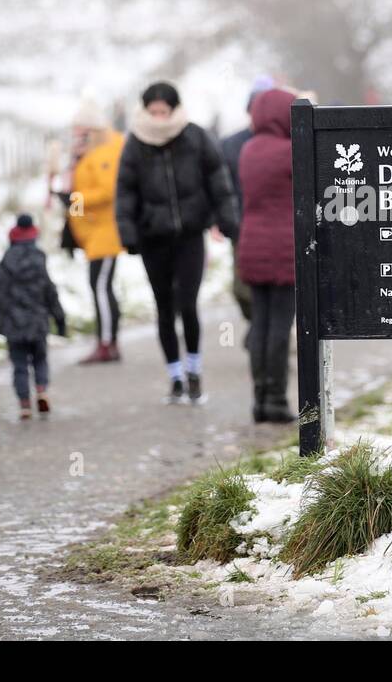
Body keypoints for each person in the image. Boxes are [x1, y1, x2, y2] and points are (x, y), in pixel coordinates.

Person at [116, 82, 239, 405]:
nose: (158, 118)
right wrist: (127, 231)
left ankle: (194, 370)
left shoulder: (195, 136)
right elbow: (125, 190)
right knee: (164, 307)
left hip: (189, 235)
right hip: (152, 237)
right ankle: (174, 376)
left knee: (188, 304)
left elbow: (218, 179)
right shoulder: (135, 143)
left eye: (163, 111)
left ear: (173, 109)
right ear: (144, 111)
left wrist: (226, 218)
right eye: (152, 112)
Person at [236, 87, 299, 423]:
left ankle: (259, 399)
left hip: (251, 245)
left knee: (259, 323)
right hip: (283, 248)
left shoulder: (248, 149)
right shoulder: (290, 151)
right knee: (279, 326)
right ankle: (276, 398)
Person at [0, 214, 66, 419]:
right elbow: (51, 294)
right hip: (38, 325)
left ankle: (24, 404)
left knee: (19, 366)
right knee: (40, 361)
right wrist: (60, 320)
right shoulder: (40, 267)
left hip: (13, 329)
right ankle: (41, 390)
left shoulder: (2, 269)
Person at [65, 97, 125, 363]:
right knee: (100, 286)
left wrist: (75, 201)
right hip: (92, 235)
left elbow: (107, 190)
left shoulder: (105, 152)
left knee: (101, 287)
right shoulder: (86, 154)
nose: (76, 136)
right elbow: (77, 195)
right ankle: (107, 341)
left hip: (106, 232)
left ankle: (106, 343)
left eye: (80, 130)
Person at [220, 77, 273, 323]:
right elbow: (221, 184)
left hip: (277, 226)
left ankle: (267, 335)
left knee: (275, 288)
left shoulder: (288, 141)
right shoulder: (231, 144)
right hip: (242, 226)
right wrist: (219, 220)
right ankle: (258, 326)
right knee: (242, 289)